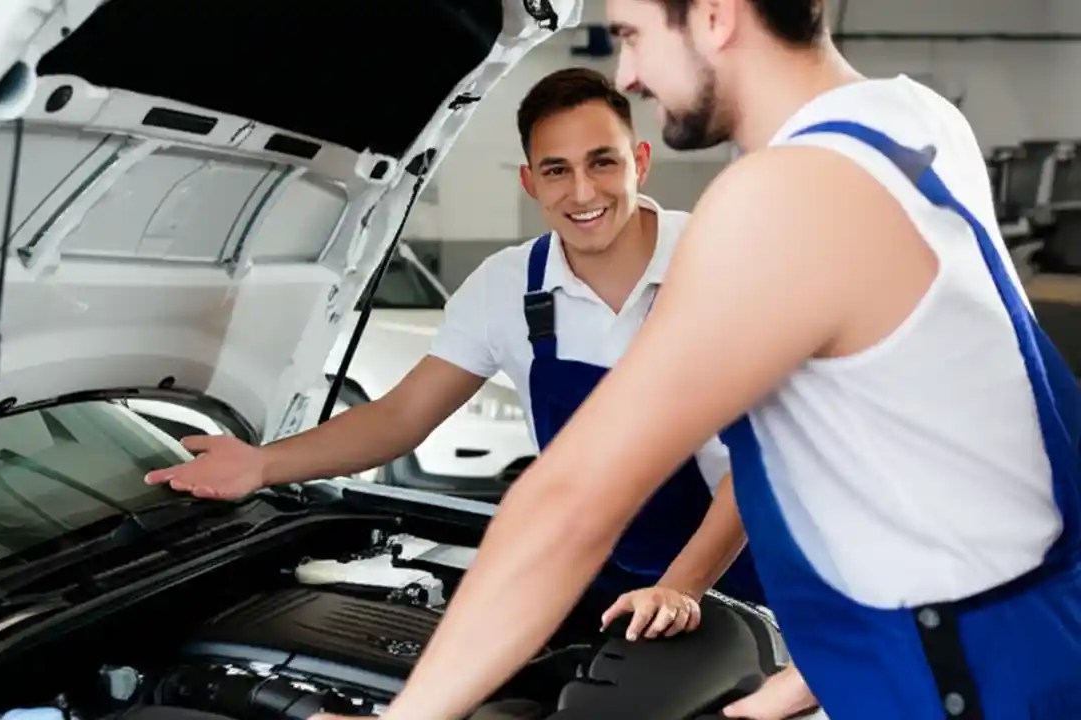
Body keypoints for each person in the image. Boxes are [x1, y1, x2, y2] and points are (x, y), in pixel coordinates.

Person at [311, 1, 1081, 719]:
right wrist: (803, 681)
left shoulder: (779, 197)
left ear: (713, 16)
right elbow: (941, 450)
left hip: (960, 681)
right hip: (1011, 643)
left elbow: (573, 502)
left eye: (633, 35)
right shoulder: (910, 119)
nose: (628, 75)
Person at [146, 67, 768, 636]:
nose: (583, 192)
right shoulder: (506, 289)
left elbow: (758, 464)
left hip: (759, 575)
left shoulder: (723, 260)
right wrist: (261, 464)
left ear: (639, 163)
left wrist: (680, 589)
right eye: (556, 170)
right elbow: (400, 418)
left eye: (602, 163)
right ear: (530, 181)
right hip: (604, 578)